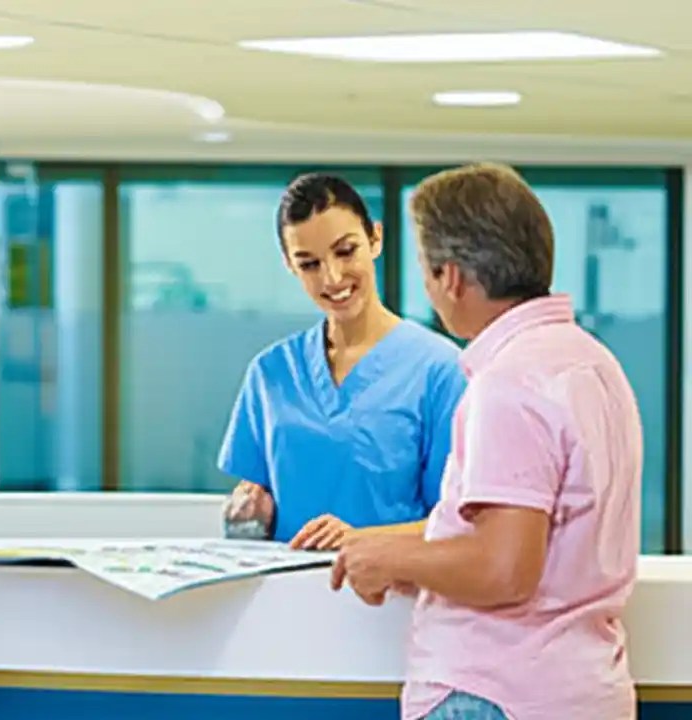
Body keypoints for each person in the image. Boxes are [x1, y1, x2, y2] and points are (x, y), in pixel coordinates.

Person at [332, 163, 643, 720]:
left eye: (427, 273)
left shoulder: (510, 384)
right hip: (584, 689)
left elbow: (504, 570)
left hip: (494, 694)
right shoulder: (592, 363)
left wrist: (389, 557)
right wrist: (382, 545)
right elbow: (521, 530)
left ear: (450, 276)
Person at [220, 173, 467, 550]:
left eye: (345, 251)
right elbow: (256, 513)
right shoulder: (270, 374)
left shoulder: (441, 370)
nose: (332, 277)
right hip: (285, 599)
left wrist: (360, 540)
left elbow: (455, 521)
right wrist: (246, 517)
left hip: (390, 600)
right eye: (309, 264)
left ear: (376, 239)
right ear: (290, 265)